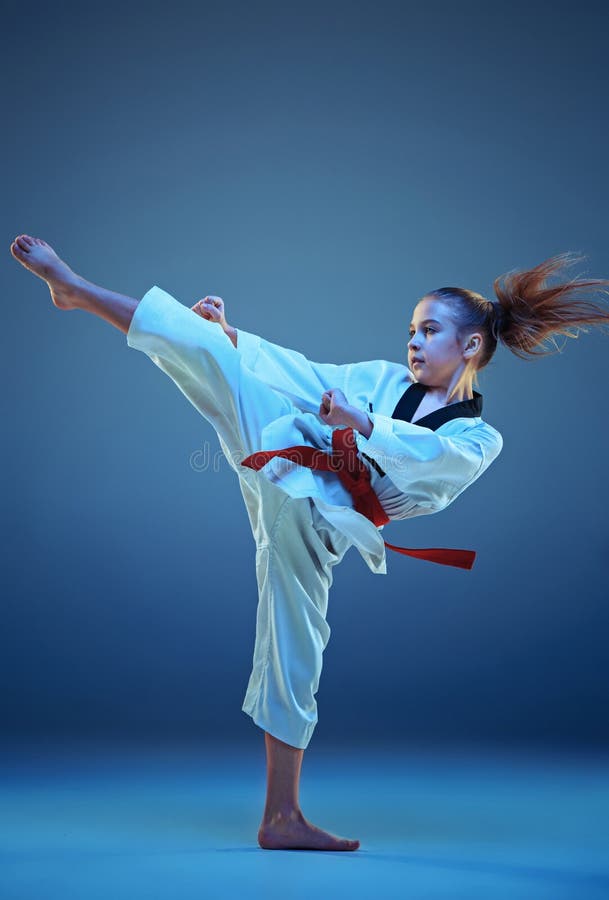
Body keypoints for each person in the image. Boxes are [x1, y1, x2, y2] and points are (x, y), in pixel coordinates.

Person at [10, 235, 609, 851]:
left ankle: (280, 817)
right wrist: (236, 337)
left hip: (324, 521)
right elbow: (309, 376)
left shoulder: (480, 439)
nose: (412, 342)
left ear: (471, 346)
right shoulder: (380, 377)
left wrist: (362, 423)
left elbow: (429, 460)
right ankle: (75, 290)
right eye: (411, 330)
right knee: (212, 349)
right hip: (285, 455)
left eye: (428, 331)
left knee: (295, 644)